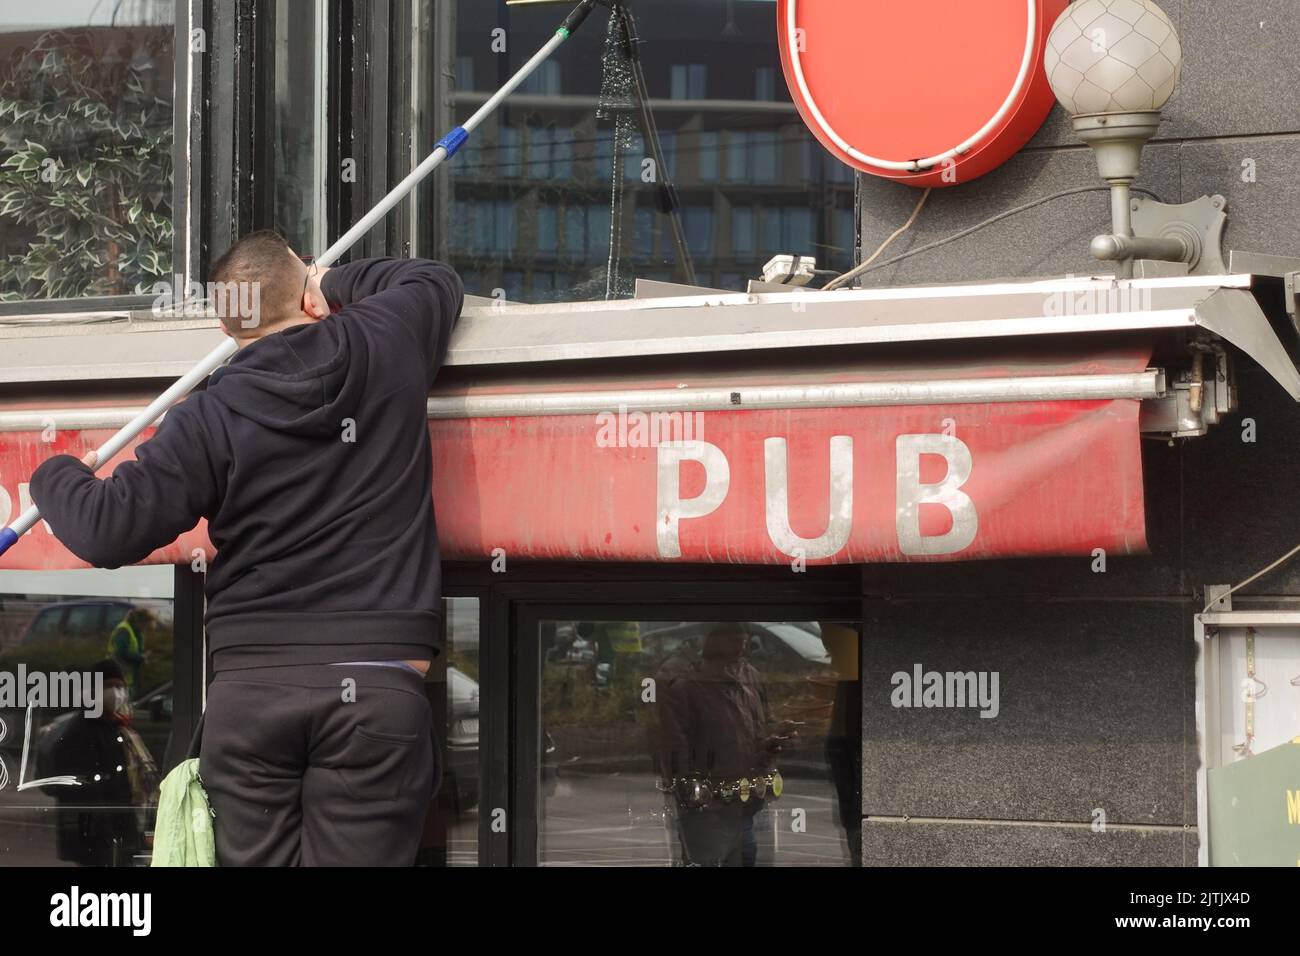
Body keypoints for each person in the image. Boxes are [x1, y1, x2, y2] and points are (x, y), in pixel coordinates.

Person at [30, 230, 465, 866]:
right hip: (377, 688)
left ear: (228, 323)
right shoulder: (385, 339)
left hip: (252, 694)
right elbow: (433, 280)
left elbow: (105, 528)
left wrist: (55, 475)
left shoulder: (208, 416)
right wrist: (330, 280)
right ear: (308, 297)